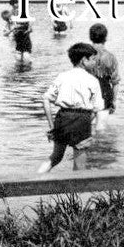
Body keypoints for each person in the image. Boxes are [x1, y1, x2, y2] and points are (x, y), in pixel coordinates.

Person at [37, 42, 104, 173]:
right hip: (82, 119)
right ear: (84, 60)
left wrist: (51, 126)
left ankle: (34, 182)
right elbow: (97, 109)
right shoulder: (92, 80)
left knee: (55, 157)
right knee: (80, 167)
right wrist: (85, 122)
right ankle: (76, 192)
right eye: (93, 60)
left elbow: (46, 99)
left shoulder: (62, 76)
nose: (95, 63)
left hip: (62, 117)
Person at [87, 23, 121, 120]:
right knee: (101, 127)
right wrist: (114, 101)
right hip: (105, 93)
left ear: (90, 37)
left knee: (86, 126)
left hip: (88, 92)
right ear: (105, 38)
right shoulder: (111, 57)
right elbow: (115, 82)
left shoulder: (85, 55)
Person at [5, 0, 32, 66]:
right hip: (17, 36)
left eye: (17, 3)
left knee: (26, 57)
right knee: (18, 58)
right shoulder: (11, 14)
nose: (16, 5)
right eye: (14, 4)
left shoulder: (23, 12)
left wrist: (29, 29)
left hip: (24, 35)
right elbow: (9, 26)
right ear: (12, 5)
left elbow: (29, 25)